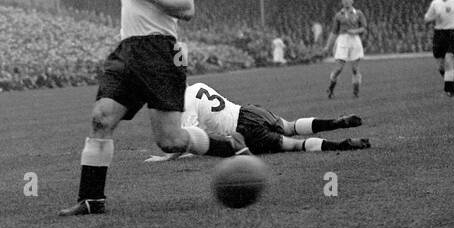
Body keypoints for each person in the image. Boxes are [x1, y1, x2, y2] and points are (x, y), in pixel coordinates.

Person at [58, 0, 246, 217]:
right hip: (127, 52)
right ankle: (92, 200)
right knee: (101, 118)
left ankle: (229, 147)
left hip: (160, 53)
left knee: (170, 141)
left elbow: (187, 9)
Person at [148, 82, 369, 159]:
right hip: (250, 111)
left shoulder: (184, 103)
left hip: (245, 131)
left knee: (296, 145)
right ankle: (336, 122)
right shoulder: (197, 86)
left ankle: (342, 145)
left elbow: (188, 139)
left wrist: (168, 157)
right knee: (291, 127)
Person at [324, 0, 367, 99]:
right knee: (338, 68)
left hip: (355, 40)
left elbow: (364, 28)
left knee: (355, 69)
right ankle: (331, 89)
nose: (346, 1)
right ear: (342, 2)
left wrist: (355, 31)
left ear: (352, 1)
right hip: (343, 40)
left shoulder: (358, 13)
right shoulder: (339, 15)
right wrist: (328, 46)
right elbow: (334, 32)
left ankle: (356, 92)